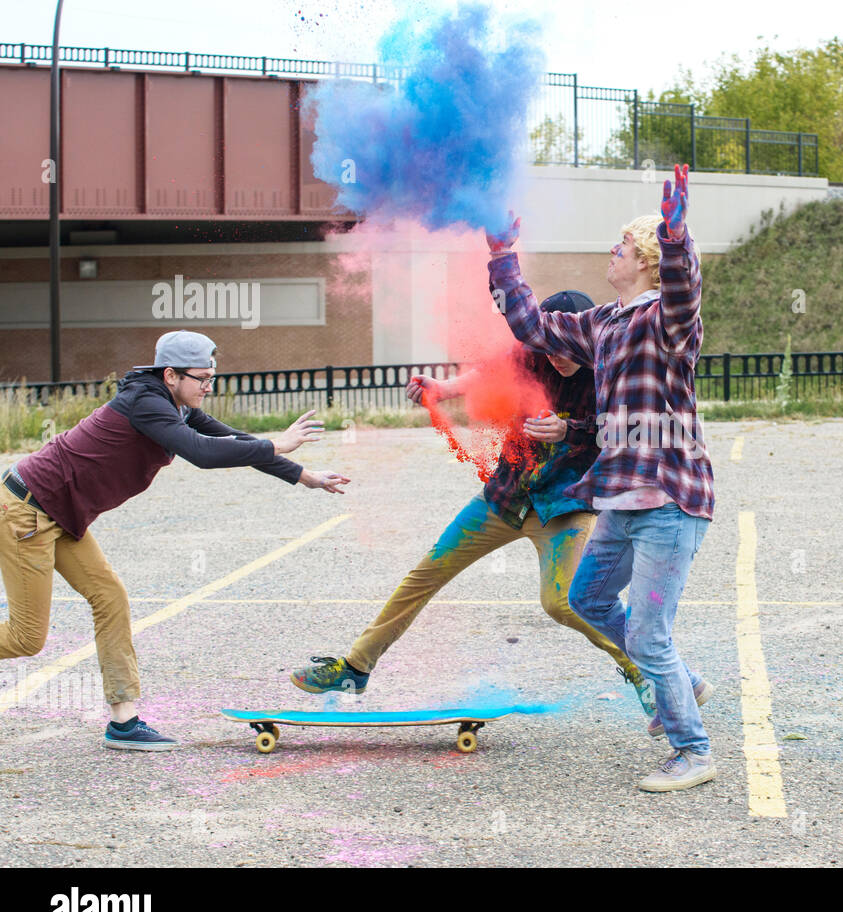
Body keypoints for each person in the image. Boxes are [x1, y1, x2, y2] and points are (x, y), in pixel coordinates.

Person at [289, 291, 657, 718]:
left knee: (565, 602)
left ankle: (645, 670)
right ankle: (355, 668)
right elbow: (490, 373)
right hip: (505, 497)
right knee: (426, 573)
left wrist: (569, 430)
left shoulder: (610, 369)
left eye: (565, 348)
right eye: (548, 345)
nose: (555, 356)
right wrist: (444, 389)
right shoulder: (532, 353)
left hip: (565, 507)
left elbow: (623, 429)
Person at [0, 331, 348, 751]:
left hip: (61, 513)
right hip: (27, 511)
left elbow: (232, 442)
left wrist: (302, 475)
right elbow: (202, 454)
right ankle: (124, 722)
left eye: (211, 378)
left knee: (109, 598)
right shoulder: (146, 404)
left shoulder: (176, 406)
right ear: (170, 374)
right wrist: (276, 442)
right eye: (201, 378)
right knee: (26, 638)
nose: (208, 387)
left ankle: (124, 723)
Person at [485, 164, 718, 792]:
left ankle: (693, 750)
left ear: (642, 260)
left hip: (669, 498)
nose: (608, 256)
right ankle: (686, 684)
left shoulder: (667, 322)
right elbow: (531, 325)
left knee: (646, 633)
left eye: (618, 248)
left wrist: (675, 237)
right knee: (585, 600)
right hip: (619, 499)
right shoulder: (604, 323)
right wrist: (502, 253)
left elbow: (684, 293)